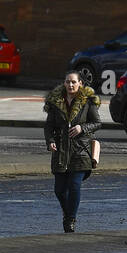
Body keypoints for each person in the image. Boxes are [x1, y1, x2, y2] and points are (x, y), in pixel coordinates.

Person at [44, 71, 100, 233]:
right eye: (68, 82)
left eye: (74, 82)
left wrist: (82, 127)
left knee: (74, 186)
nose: (70, 85)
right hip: (61, 151)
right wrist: (50, 141)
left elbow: (97, 123)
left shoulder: (87, 102)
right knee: (59, 190)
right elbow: (49, 126)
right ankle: (68, 213)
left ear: (80, 84)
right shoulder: (56, 102)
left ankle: (70, 219)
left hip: (81, 150)